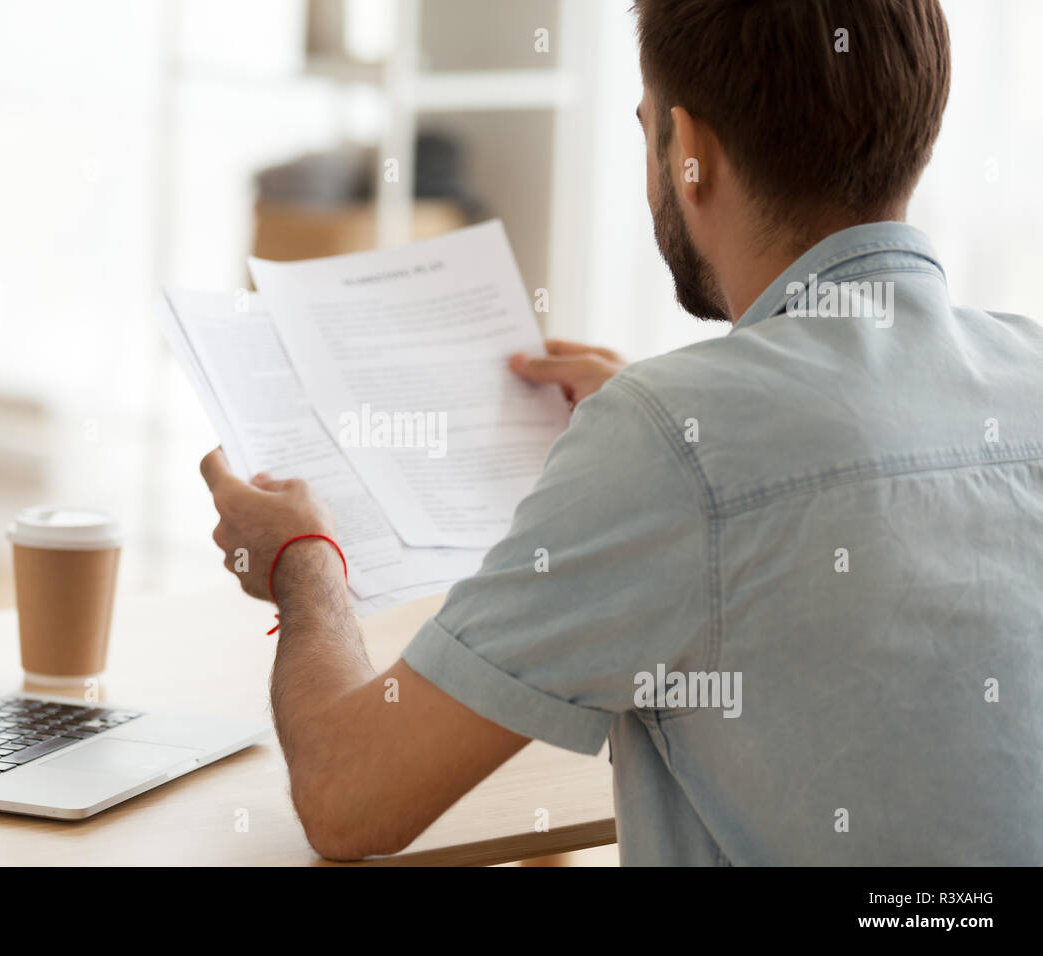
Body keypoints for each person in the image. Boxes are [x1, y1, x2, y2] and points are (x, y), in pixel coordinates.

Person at [199, 0, 1043, 864]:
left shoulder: (668, 445)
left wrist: (303, 561)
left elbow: (349, 798)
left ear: (690, 152)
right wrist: (679, 439)